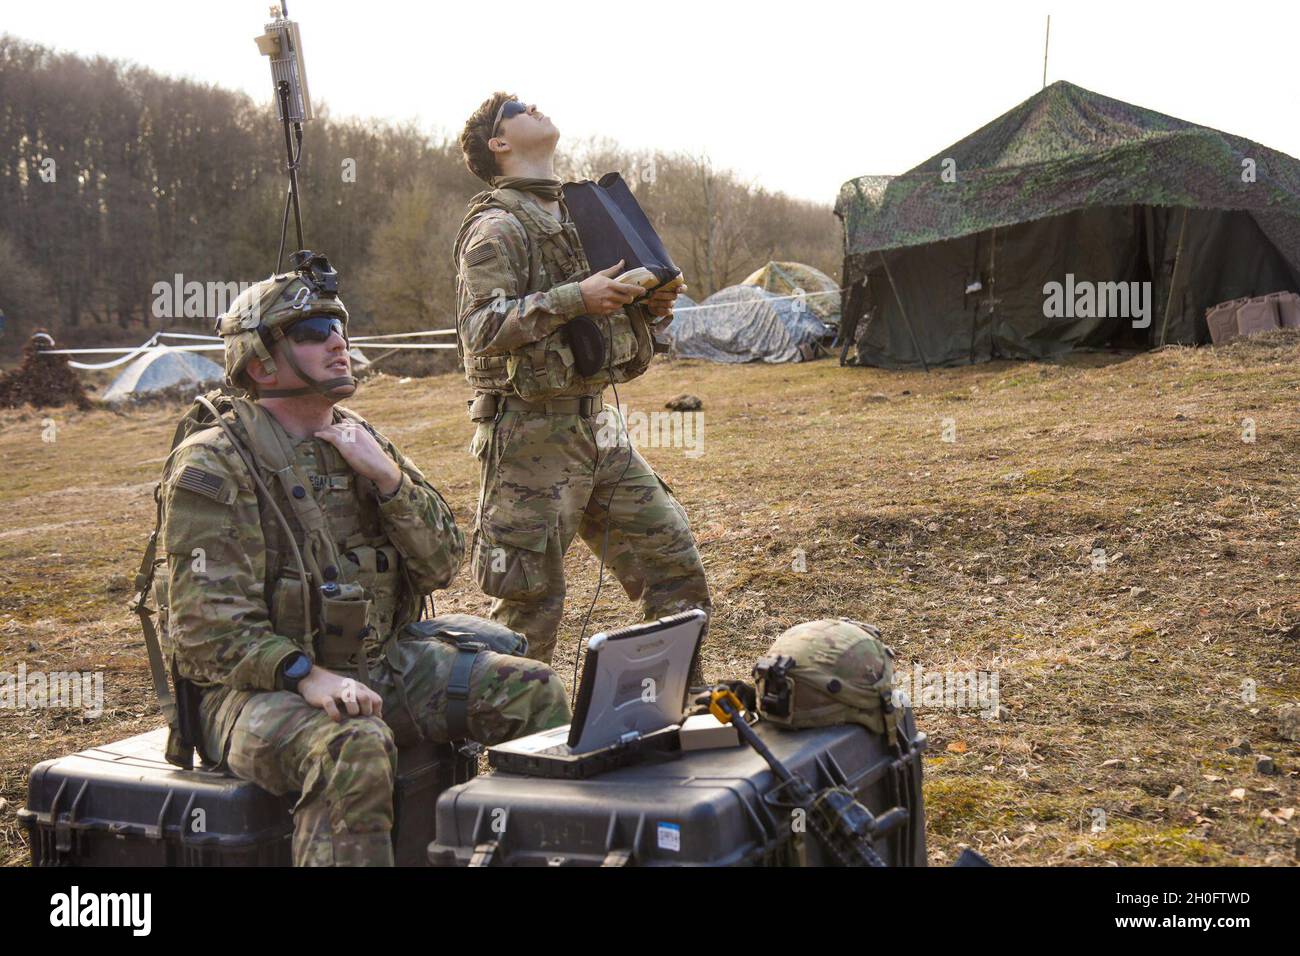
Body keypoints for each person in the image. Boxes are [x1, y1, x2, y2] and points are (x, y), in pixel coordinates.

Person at [151, 258, 569, 866]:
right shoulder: (214, 464)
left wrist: (387, 478)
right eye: (312, 330)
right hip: (253, 693)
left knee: (531, 691)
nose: (337, 341)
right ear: (261, 362)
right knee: (354, 743)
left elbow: (443, 563)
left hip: (379, 665)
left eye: (339, 327)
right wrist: (306, 676)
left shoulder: (360, 438)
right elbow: (203, 631)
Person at [453, 93, 712, 674]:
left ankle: (666, 712)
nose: (535, 106)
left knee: (672, 567)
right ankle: (512, 744)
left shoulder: (578, 215)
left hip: (598, 424)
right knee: (529, 609)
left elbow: (597, 323)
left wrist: (648, 306)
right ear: (499, 143)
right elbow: (479, 328)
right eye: (518, 106)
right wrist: (579, 297)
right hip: (528, 436)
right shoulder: (497, 226)